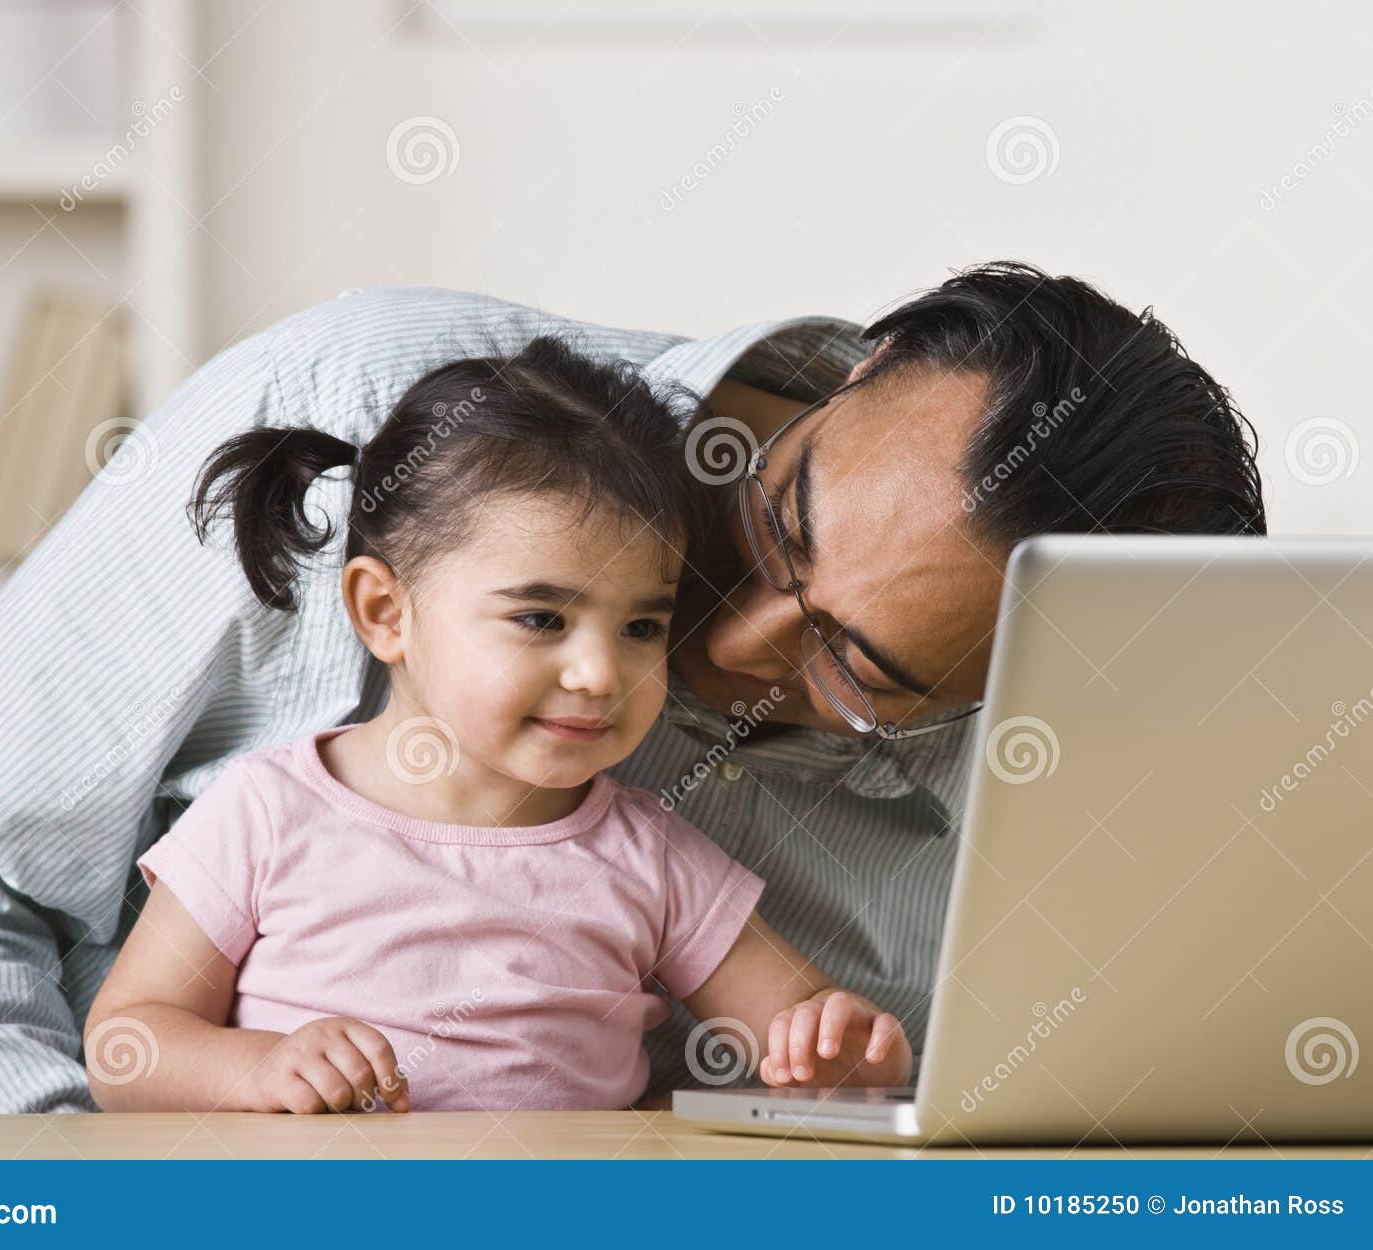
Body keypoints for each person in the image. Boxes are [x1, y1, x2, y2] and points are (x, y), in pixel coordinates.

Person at [0, 262, 1265, 1114]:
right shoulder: (373, 417)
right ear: (856, 369)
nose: (727, 647)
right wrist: (66, 1204)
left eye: (858, 668)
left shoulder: (1077, 794)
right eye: (780, 518)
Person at [86, 336, 911, 1114]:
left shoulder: (650, 857)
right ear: (385, 612)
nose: (599, 675)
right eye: (542, 620)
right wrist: (258, 1067)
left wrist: (844, 1056)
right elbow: (126, 1042)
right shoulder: (267, 812)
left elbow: (804, 1022)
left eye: (641, 628)